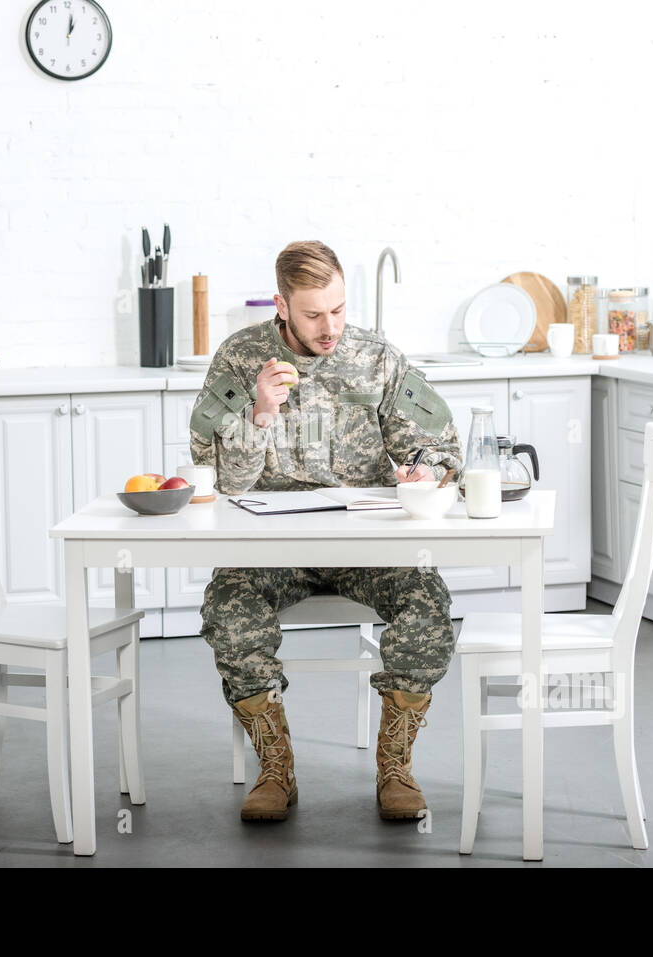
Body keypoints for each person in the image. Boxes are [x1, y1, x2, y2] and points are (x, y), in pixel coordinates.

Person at [189, 240, 463, 823]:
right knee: (230, 615)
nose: (330, 326)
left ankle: (396, 766)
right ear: (282, 306)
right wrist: (259, 414)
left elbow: (438, 445)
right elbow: (216, 477)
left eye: (338, 309)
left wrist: (424, 471)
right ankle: (275, 770)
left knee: (427, 607)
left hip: (363, 539)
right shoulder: (240, 359)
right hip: (273, 546)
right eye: (314, 314)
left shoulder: (377, 356)